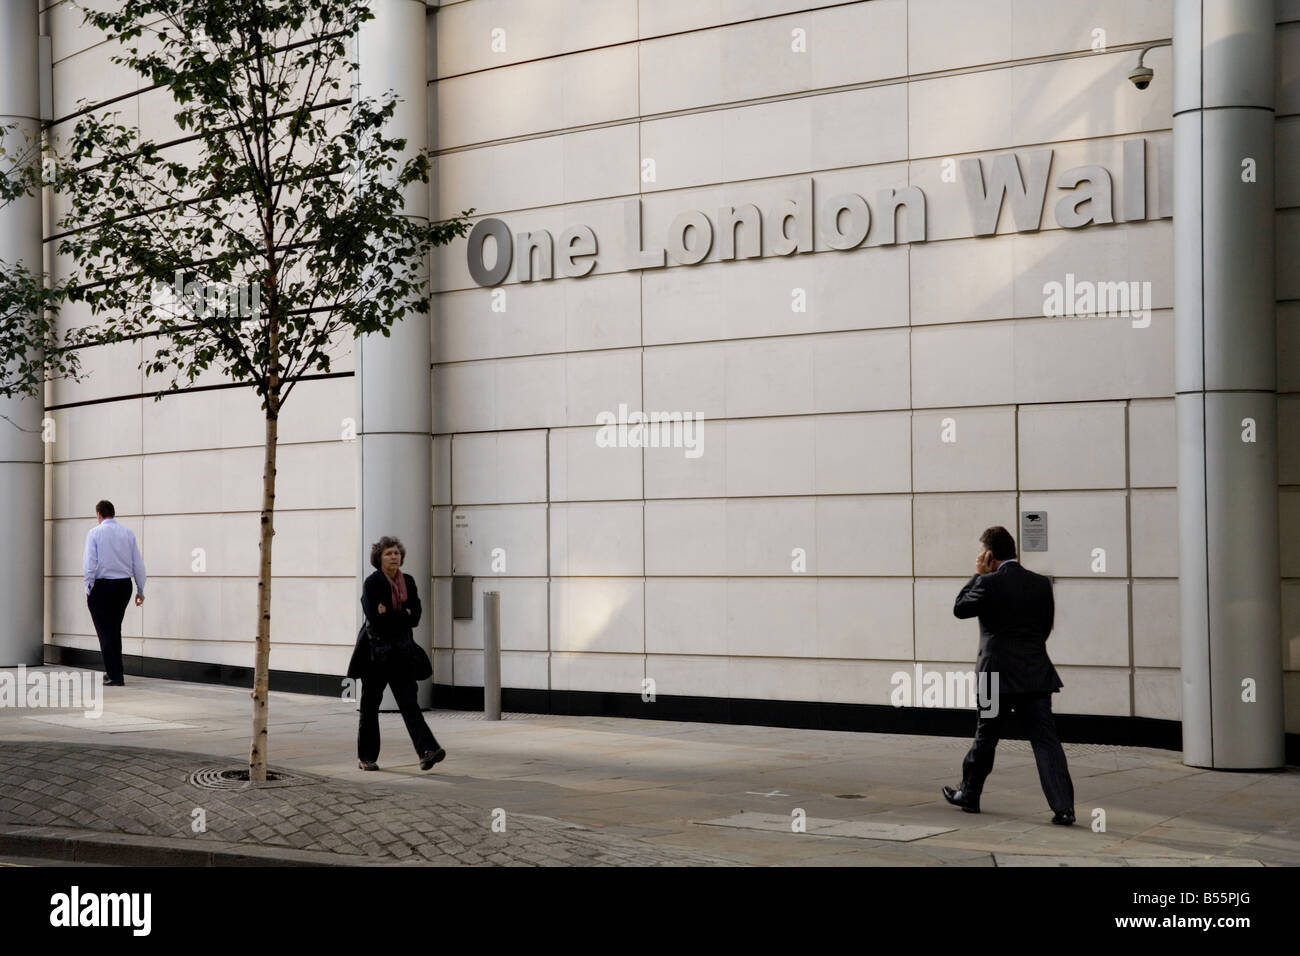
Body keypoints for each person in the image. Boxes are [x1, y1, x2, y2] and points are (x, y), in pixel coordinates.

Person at [942, 526, 1076, 825]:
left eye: (981, 553)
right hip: (1035, 675)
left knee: (986, 735)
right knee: (1045, 741)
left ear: (989, 554)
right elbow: (1045, 628)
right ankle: (1063, 807)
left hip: (994, 677)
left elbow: (960, 609)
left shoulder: (988, 583)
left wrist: (978, 574)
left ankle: (970, 795)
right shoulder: (1042, 584)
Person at [347, 535, 445, 772]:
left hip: (402, 654)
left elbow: (416, 617)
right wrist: (401, 614)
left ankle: (427, 751)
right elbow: (376, 619)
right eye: (389, 553)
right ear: (379, 558)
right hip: (375, 655)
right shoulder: (372, 583)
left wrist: (389, 612)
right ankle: (366, 758)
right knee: (370, 707)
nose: (394, 557)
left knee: (410, 704)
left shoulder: (408, 582)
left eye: (396, 553)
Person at [82, 500, 146, 687]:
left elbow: (89, 564)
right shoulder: (127, 533)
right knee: (114, 628)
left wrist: (88, 587)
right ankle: (114, 672)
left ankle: (115, 675)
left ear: (99, 515)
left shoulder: (94, 533)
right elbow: (138, 565)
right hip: (123, 586)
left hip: (102, 586)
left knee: (105, 631)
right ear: (113, 513)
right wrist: (140, 589)